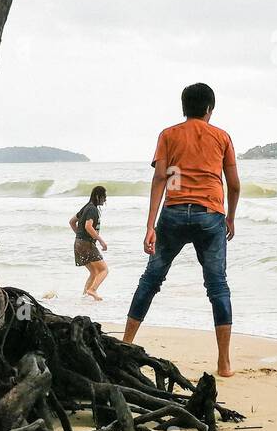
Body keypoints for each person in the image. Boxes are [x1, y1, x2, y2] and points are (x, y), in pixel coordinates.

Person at [123, 83, 240, 377]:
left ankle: (125, 345)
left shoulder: (168, 135)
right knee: (217, 286)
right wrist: (231, 218)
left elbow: (160, 179)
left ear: (184, 107)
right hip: (210, 215)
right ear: (209, 109)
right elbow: (235, 184)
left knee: (151, 279)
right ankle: (224, 363)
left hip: (173, 213)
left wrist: (150, 225)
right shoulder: (222, 137)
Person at [70, 185, 108, 300]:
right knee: (104, 270)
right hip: (86, 244)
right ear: (98, 196)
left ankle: (85, 296)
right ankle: (92, 290)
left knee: (94, 271)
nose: (105, 199)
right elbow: (88, 226)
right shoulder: (92, 209)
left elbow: (71, 222)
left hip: (78, 243)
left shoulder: (86, 207)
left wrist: (79, 236)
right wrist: (101, 241)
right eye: (104, 197)